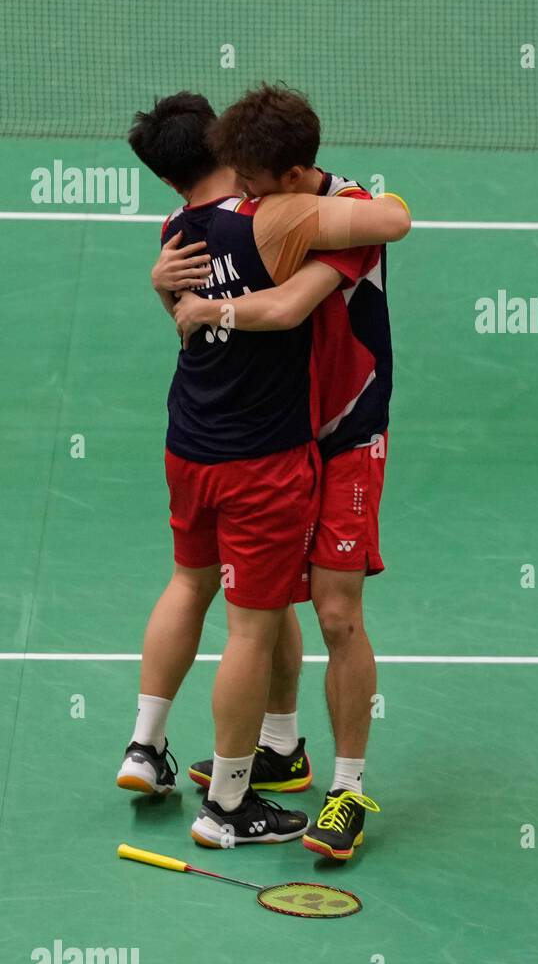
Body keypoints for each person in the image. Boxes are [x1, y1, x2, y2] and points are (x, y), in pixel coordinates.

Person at [116, 90, 409, 849]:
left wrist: (201, 307)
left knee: (337, 615)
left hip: (341, 435)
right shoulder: (240, 218)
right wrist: (174, 293)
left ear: (286, 174)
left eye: (249, 177)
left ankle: (346, 790)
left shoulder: (325, 216)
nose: (236, 193)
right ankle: (277, 749)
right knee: (266, 598)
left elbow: (288, 306)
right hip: (268, 444)